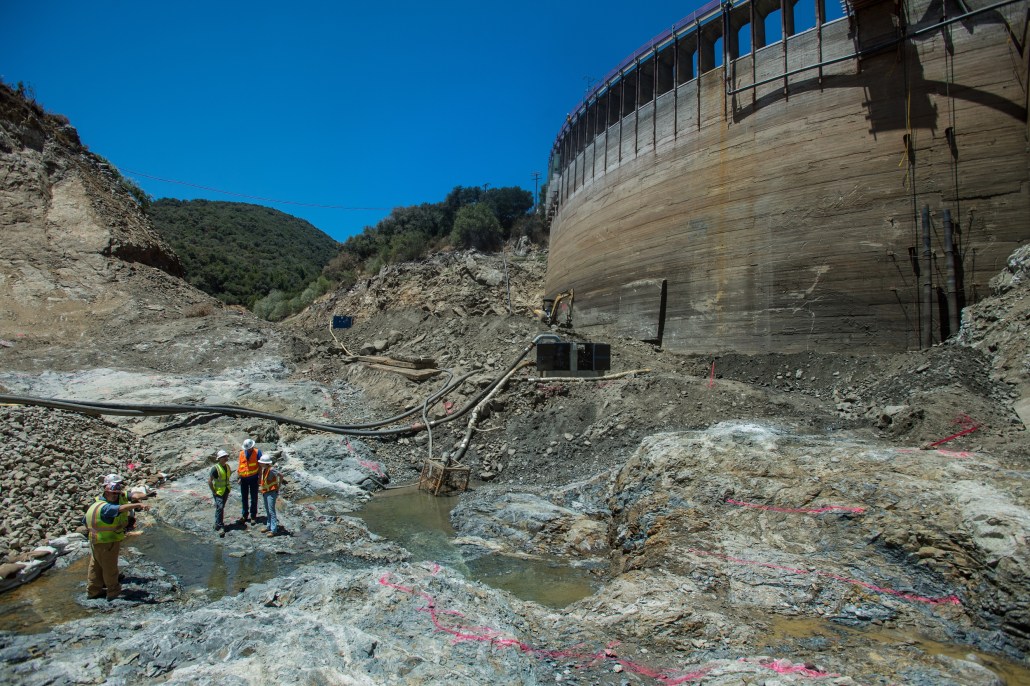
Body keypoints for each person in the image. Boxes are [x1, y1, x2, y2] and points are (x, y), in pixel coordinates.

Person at [84, 473, 148, 601]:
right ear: (106, 492)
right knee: (110, 568)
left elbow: (84, 521)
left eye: (117, 493)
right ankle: (113, 593)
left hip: (96, 540)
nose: (116, 495)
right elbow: (120, 508)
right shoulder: (106, 507)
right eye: (114, 493)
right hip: (107, 541)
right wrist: (137, 505)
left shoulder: (97, 504)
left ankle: (94, 591)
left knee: (95, 566)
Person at [257, 455, 287, 537]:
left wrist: (279, 486)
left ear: (265, 463)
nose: (260, 463)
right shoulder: (265, 469)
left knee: (271, 511)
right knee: (267, 510)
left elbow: (280, 475)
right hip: (266, 492)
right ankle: (269, 526)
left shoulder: (272, 469)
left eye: (261, 462)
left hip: (271, 492)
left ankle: (274, 530)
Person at [208, 449, 232, 537]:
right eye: (224, 457)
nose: (226, 458)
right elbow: (210, 481)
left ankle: (217, 523)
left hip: (225, 490)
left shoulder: (228, 467)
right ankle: (220, 525)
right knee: (220, 507)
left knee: (220, 507)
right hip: (218, 491)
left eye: (226, 456)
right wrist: (213, 491)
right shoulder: (215, 469)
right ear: (220, 458)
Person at [237, 438, 262, 525]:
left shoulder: (257, 452)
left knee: (254, 498)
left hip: (254, 478)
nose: (249, 450)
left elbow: (260, 466)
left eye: (250, 448)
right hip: (244, 479)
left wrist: (260, 477)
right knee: (244, 498)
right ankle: (244, 515)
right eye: (247, 448)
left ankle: (253, 516)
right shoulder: (241, 454)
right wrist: (239, 477)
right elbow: (240, 466)